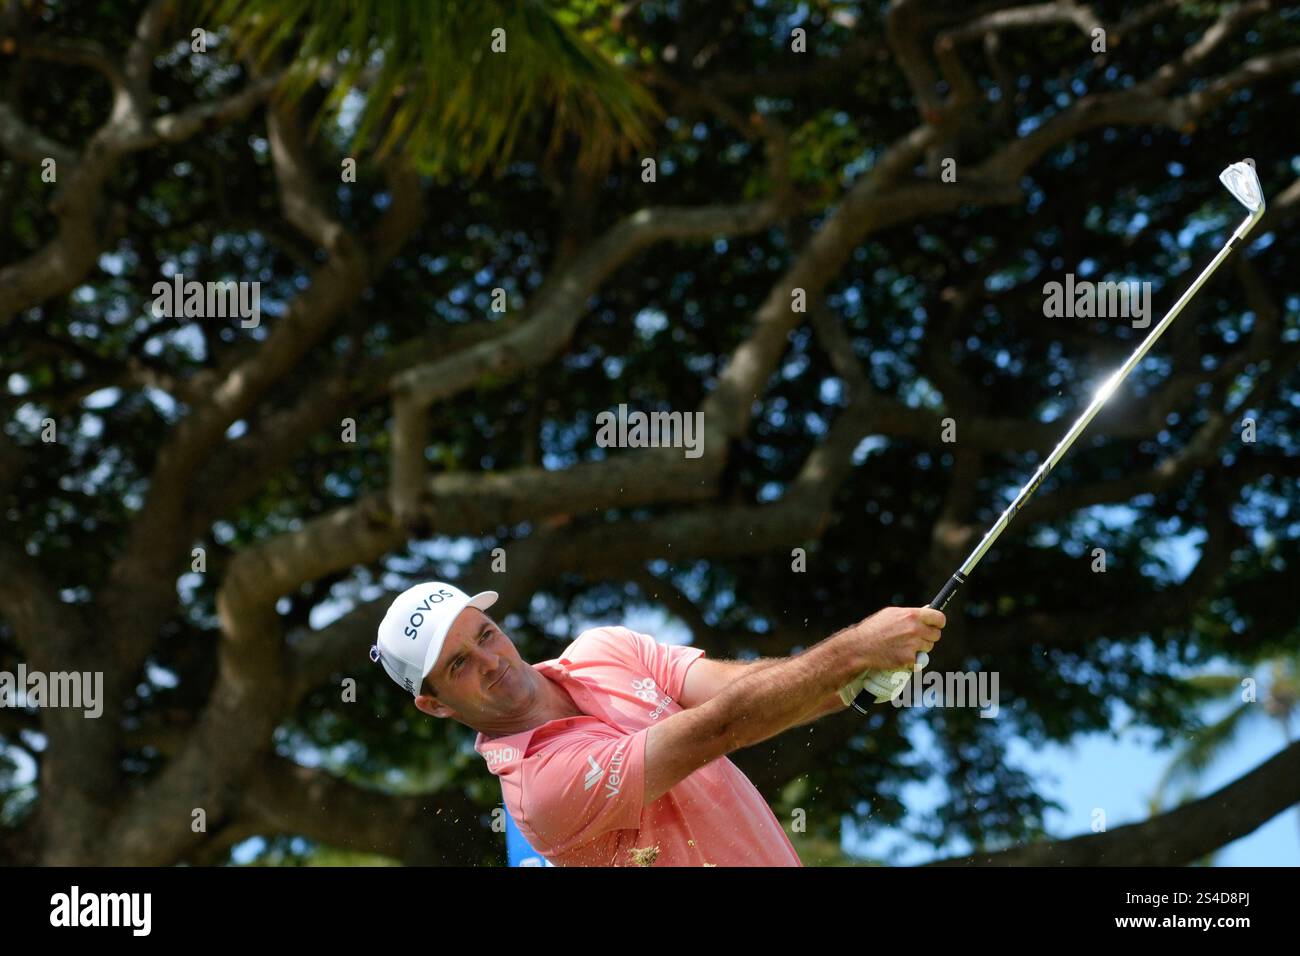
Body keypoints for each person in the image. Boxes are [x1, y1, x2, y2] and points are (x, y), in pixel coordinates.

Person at [370, 581, 944, 866]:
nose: (491, 662)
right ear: (436, 703)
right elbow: (717, 729)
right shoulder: (537, 788)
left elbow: (732, 690)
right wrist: (849, 654)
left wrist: (844, 685)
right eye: (459, 665)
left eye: (486, 635)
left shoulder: (605, 647)